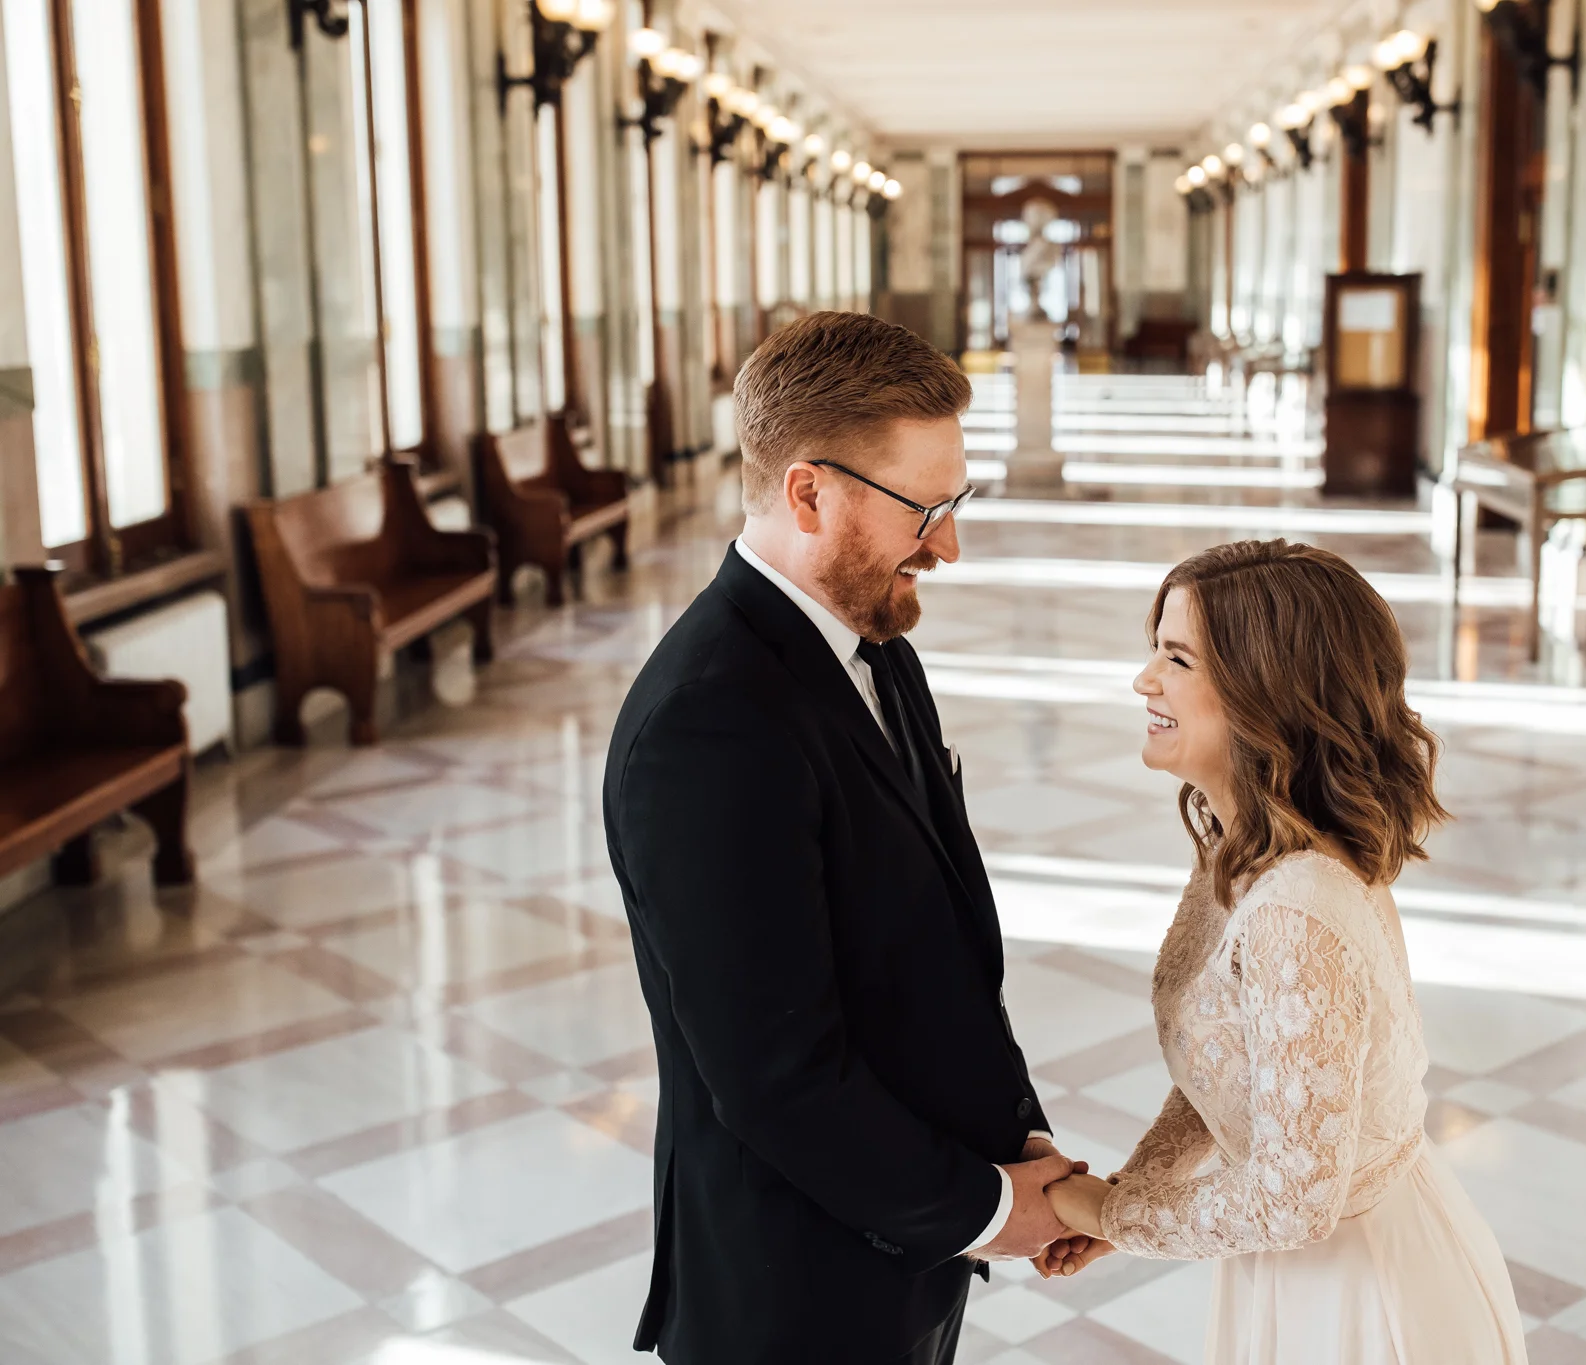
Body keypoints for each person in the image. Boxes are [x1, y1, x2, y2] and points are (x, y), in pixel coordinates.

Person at [603, 311, 1080, 1364]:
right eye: (926, 508)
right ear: (807, 492)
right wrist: (993, 1212)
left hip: (906, 1245)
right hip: (792, 1293)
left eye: (956, 501)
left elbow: (931, 953)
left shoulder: (870, 636)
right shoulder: (709, 723)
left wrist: (1014, 1153)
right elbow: (777, 1076)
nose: (947, 542)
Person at [1038, 540, 1527, 1365]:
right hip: (1293, 1270)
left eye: (1177, 658)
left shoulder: (1295, 907)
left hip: (1366, 1292)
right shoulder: (1244, 845)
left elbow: (1296, 1197)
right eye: (1154, 649)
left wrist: (1105, 1213)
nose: (1144, 680)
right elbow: (1231, 1072)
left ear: (1266, 691)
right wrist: (1133, 1193)